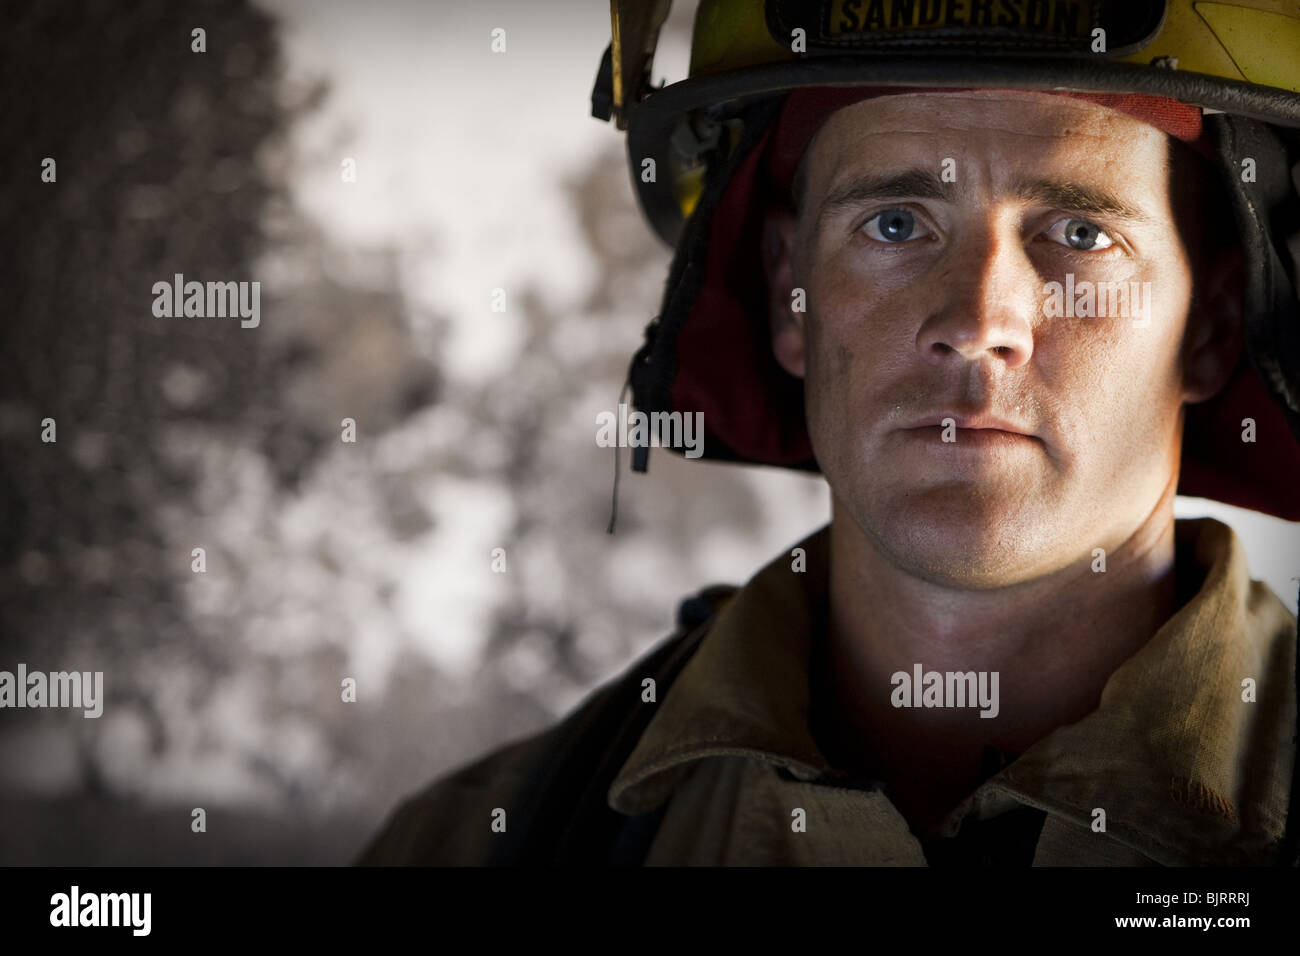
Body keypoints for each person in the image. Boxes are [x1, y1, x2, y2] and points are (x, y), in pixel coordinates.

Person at [357, 0, 1300, 865]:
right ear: (787, 293)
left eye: (1080, 235)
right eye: (896, 224)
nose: (976, 319)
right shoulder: (479, 846)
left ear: (1213, 324)